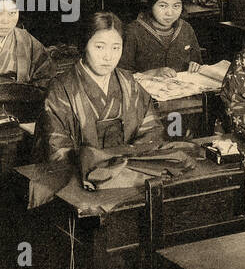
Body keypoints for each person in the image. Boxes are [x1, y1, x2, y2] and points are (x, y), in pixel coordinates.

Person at [35, 12, 165, 164]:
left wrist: (124, 164)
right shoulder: (60, 90)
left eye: (116, 48)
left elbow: (152, 132)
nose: (108, 57)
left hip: (128, 171)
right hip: (79, 177)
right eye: (99, 47)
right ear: (84, 44)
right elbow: (57, 148)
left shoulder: (130, 84)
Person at [119, 0, 202, 73]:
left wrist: (195, 65)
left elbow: (198, 62)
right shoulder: (133, 31)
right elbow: (121, 74)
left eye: (176, 6)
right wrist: (152, 73)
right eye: (162, 5)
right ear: (151, 4)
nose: (170, 13)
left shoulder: (186, 29)